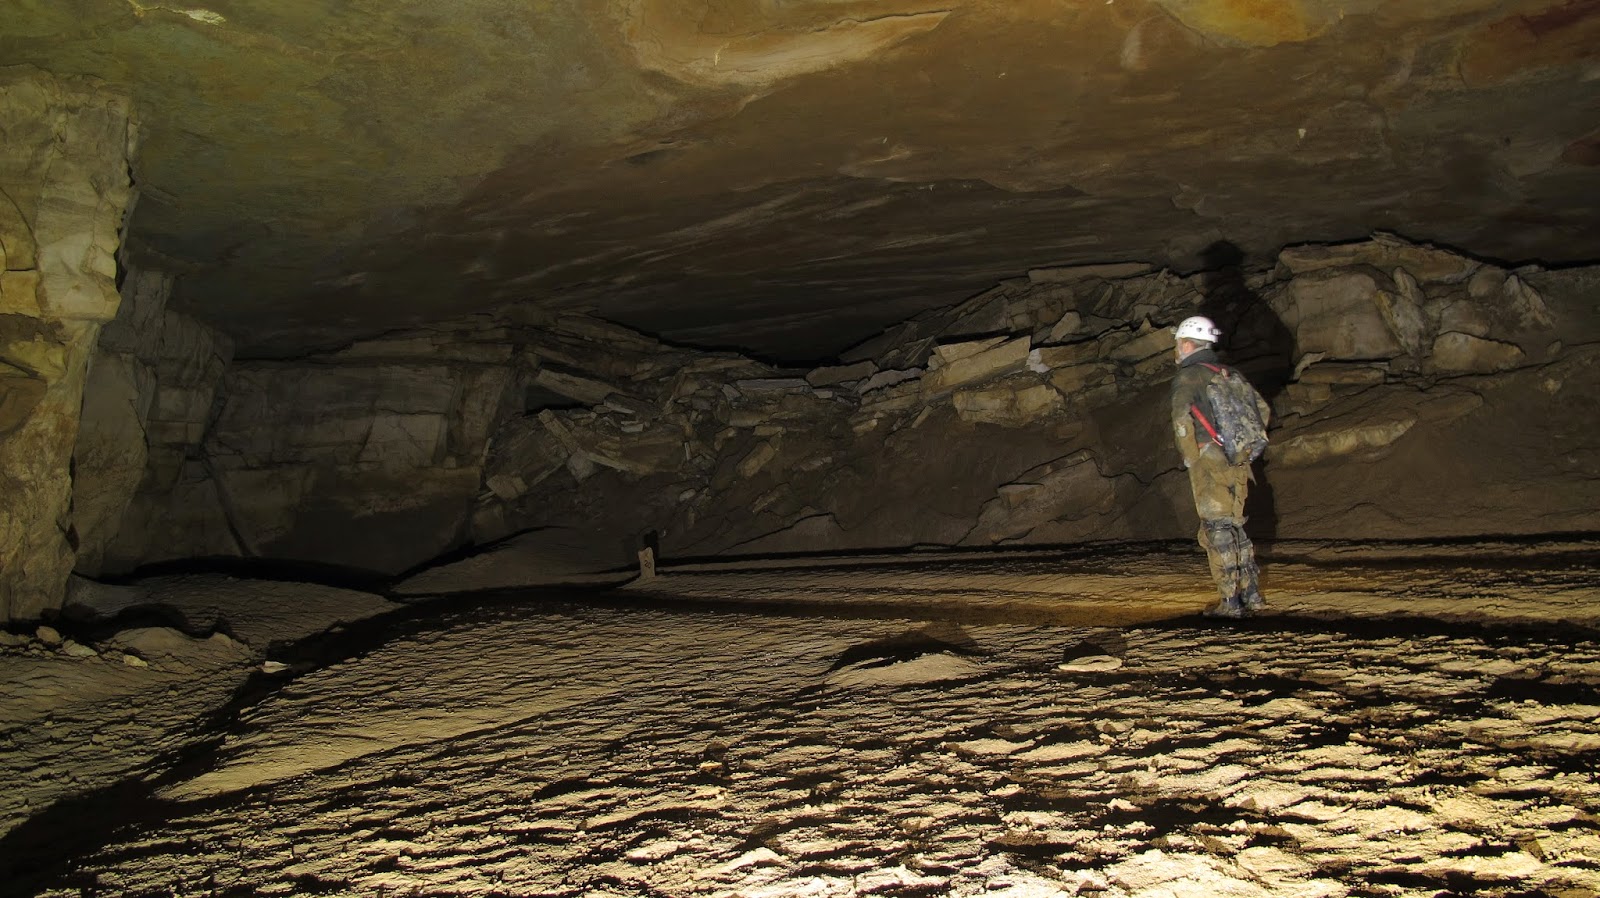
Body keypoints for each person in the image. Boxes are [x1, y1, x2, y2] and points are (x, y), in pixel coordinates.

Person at [1169, 316, 1268, 619]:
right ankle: (1252, 595)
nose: (1177, 349)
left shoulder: (1188, 377)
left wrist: (1191, 456)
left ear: (1187, 345)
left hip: (1208, 458)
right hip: (1238, 459)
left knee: (1216, 527)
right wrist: (1243, 450)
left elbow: (1181, 419)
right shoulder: (1230, 373)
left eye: (1178, 344)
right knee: (1236, 525)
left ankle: (1230, 601)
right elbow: (1262, 411)